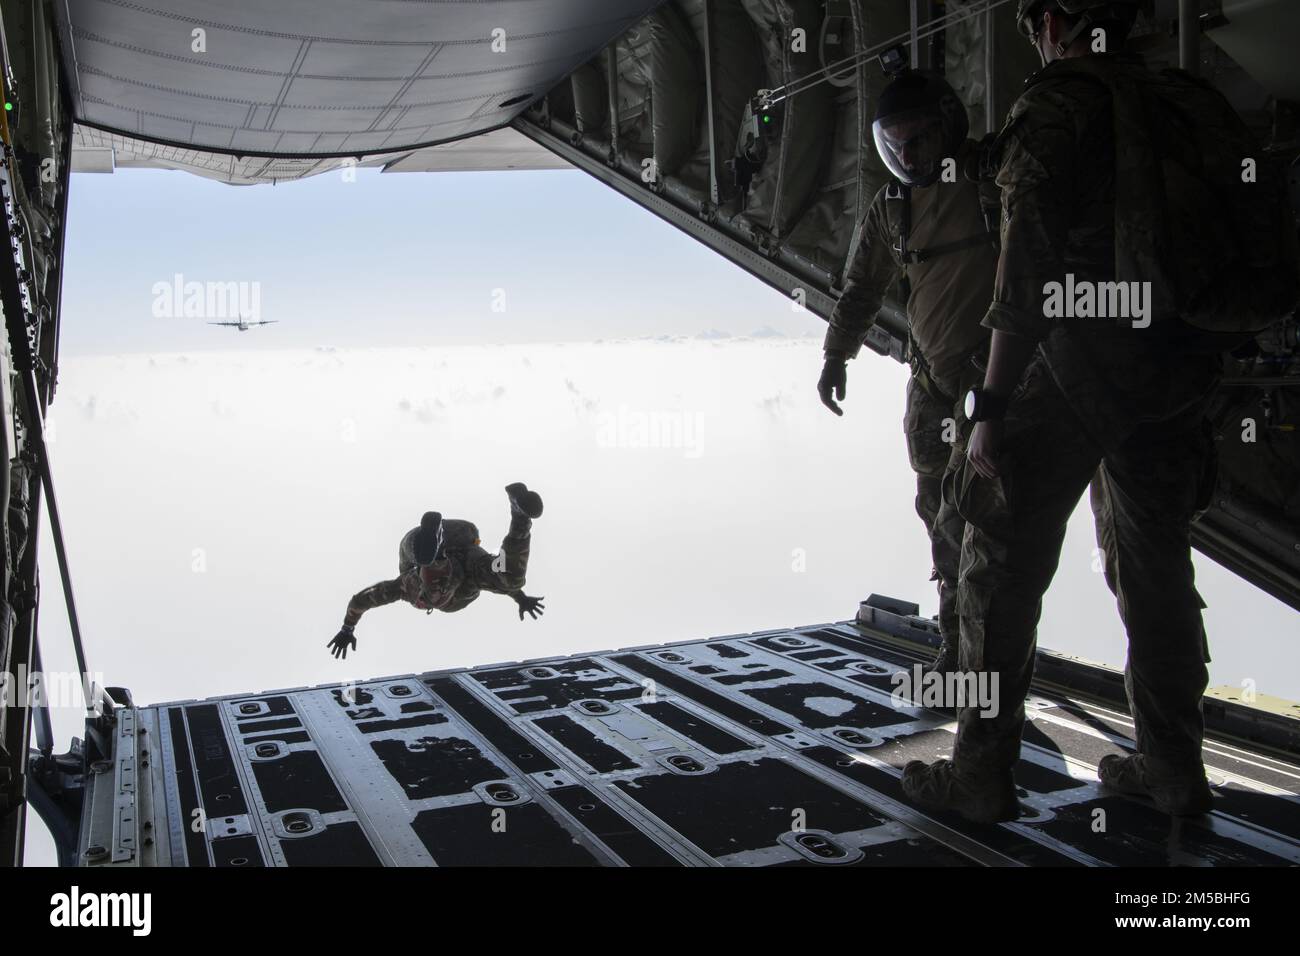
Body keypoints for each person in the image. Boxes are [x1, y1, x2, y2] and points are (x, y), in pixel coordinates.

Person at [900, 0, 1297, 822]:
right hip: (1177, 370)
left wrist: (994, 404)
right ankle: (1174, 769)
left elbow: (1027, 266)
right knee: (1155, 571)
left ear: (1052, 23)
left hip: (1080, 358)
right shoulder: (1184, 98)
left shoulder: (1055, 104)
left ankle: (980, 771)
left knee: (994, 562)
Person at [818, 70, 999, 674]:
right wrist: (835, 355)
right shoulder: (892, 205)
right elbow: (861, 288)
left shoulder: (992, 179)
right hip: (930, 386)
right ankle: (961, 651)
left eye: (916, 140)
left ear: (947, 127)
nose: (906, 155)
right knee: (938, 517)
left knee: (966, 518)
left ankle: (974, 663)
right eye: (893, 145)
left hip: (990, 383)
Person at [327, 483, 545, 659]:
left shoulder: (406, 587)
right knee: (510, 579)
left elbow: (363, 600)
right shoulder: (469, 584)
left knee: (438, 594)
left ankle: (436, 554)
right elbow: (363, 599)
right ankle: (520, 515)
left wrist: (348, 628)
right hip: (466, 548)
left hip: (423, 552)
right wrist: (520, 596)